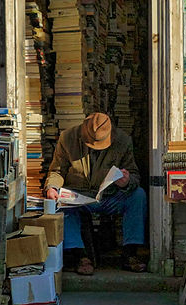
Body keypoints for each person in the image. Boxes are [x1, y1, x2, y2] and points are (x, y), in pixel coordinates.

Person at [44, 112, 147, 276]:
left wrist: (127, 181)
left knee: (138, 195)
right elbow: (57, 171)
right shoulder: (67, 138)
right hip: (78, 197)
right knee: (61, 204)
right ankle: (80, 256)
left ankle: (130, 253)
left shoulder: (123, 140)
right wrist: (52, 188)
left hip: (110, 196)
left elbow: (134, 175)